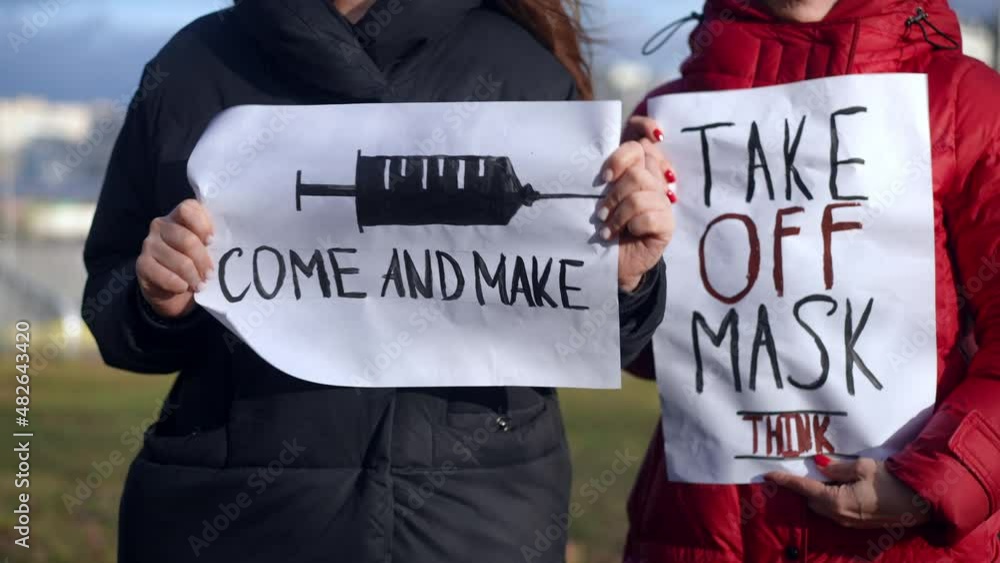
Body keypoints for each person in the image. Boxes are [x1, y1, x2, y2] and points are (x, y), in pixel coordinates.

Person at [82, 1, 674, 562]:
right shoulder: (190, 68)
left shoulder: (524, 68)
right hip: (240, 523)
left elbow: (589, 335)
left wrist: (622, 280)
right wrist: (157, 298)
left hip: (473, 525)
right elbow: (114, 307)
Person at [623, 0, 1000, 560]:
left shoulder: (962, 100)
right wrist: (630, 281)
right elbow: (673, 360)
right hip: (701, 535)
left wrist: (937, 482)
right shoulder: (667, 118)